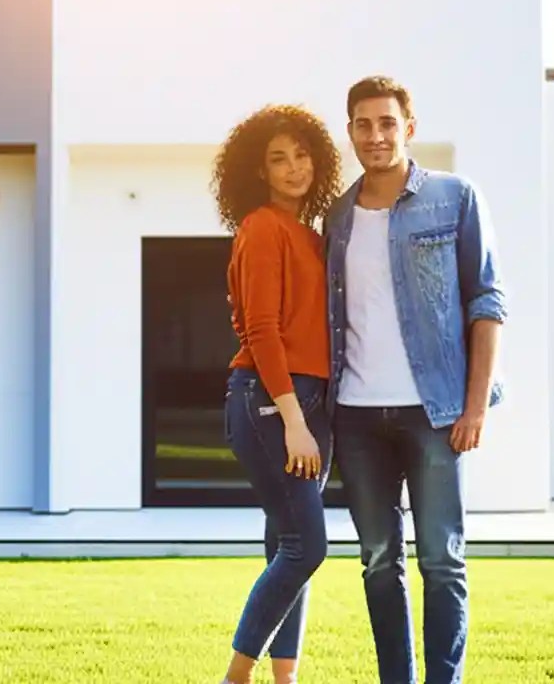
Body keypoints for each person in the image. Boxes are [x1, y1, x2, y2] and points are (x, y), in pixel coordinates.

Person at [325, 76, 506, 684]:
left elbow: (486, 302)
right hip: (355, 414)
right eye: (363, 124)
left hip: (435, 413)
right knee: (378, 561)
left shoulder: (455, 198)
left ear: (409, 127)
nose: (376, 135)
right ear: (349, 130)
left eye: (387, 123)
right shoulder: (338, 216)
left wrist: (475, 405)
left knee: (441, 560)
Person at [214, 104, 344, 684]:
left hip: (312, 401)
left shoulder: (312, 238)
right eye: (277, 159)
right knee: (306, 546)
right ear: (258, 172)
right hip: (272, 402)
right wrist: (294, 418)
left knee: (285, 544)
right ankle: (237, 676)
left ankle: (284, 677)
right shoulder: (262, 228)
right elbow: (261, 329)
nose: (293, 168)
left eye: (300, 155)